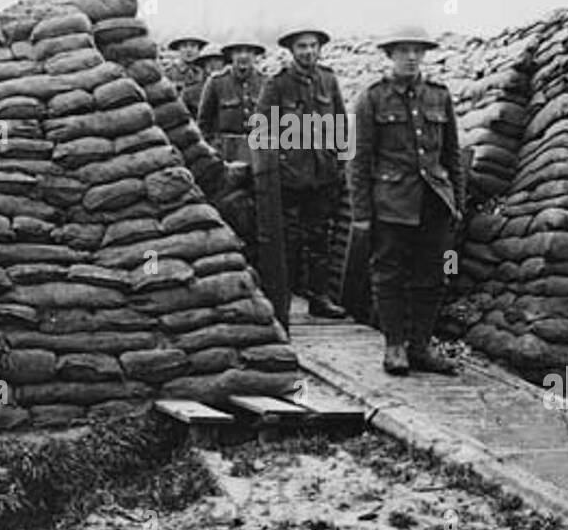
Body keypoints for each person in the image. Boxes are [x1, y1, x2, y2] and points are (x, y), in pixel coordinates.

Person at [349, 27, 465, 375]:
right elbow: (359, 160)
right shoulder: (372, 98)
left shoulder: (439, 96)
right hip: (392, 203)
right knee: (389, 275)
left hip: (434, 203)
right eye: (404, 51)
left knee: (435, 275)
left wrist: (457, 202)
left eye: (418, 51)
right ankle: (394, 346)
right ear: (390, 55)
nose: (412, 57)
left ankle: (420, 347)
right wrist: (361, 214)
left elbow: (452, 154)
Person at [255, 27, 348, 319]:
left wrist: (340, 162)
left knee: (321, 238)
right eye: (302, 46)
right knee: (288, 241)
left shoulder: (328, 80)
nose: (308, 51)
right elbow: (261, 130)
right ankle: (282, 301)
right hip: (289, 178)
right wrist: (279, 165)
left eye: (313, 46)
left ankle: (319, 298)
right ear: (291, 51)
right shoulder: (278, 85)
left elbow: (341, 125)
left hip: (323, 176)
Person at [197, 39, 265, 165]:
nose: (243, 56)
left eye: (249, 51)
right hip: (225, 154)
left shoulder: (265, 82)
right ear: (231, 55)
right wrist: (211, 150)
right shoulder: (216, 82)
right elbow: (204, 122)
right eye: (238, 51)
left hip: (259, 152)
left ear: (255, 55)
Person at [167, 34, 210, 116]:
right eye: (184, 46)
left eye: (193, 46)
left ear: (199, 49)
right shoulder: (170, 73)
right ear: (178, 49)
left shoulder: (204, 73)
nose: (189, 50)